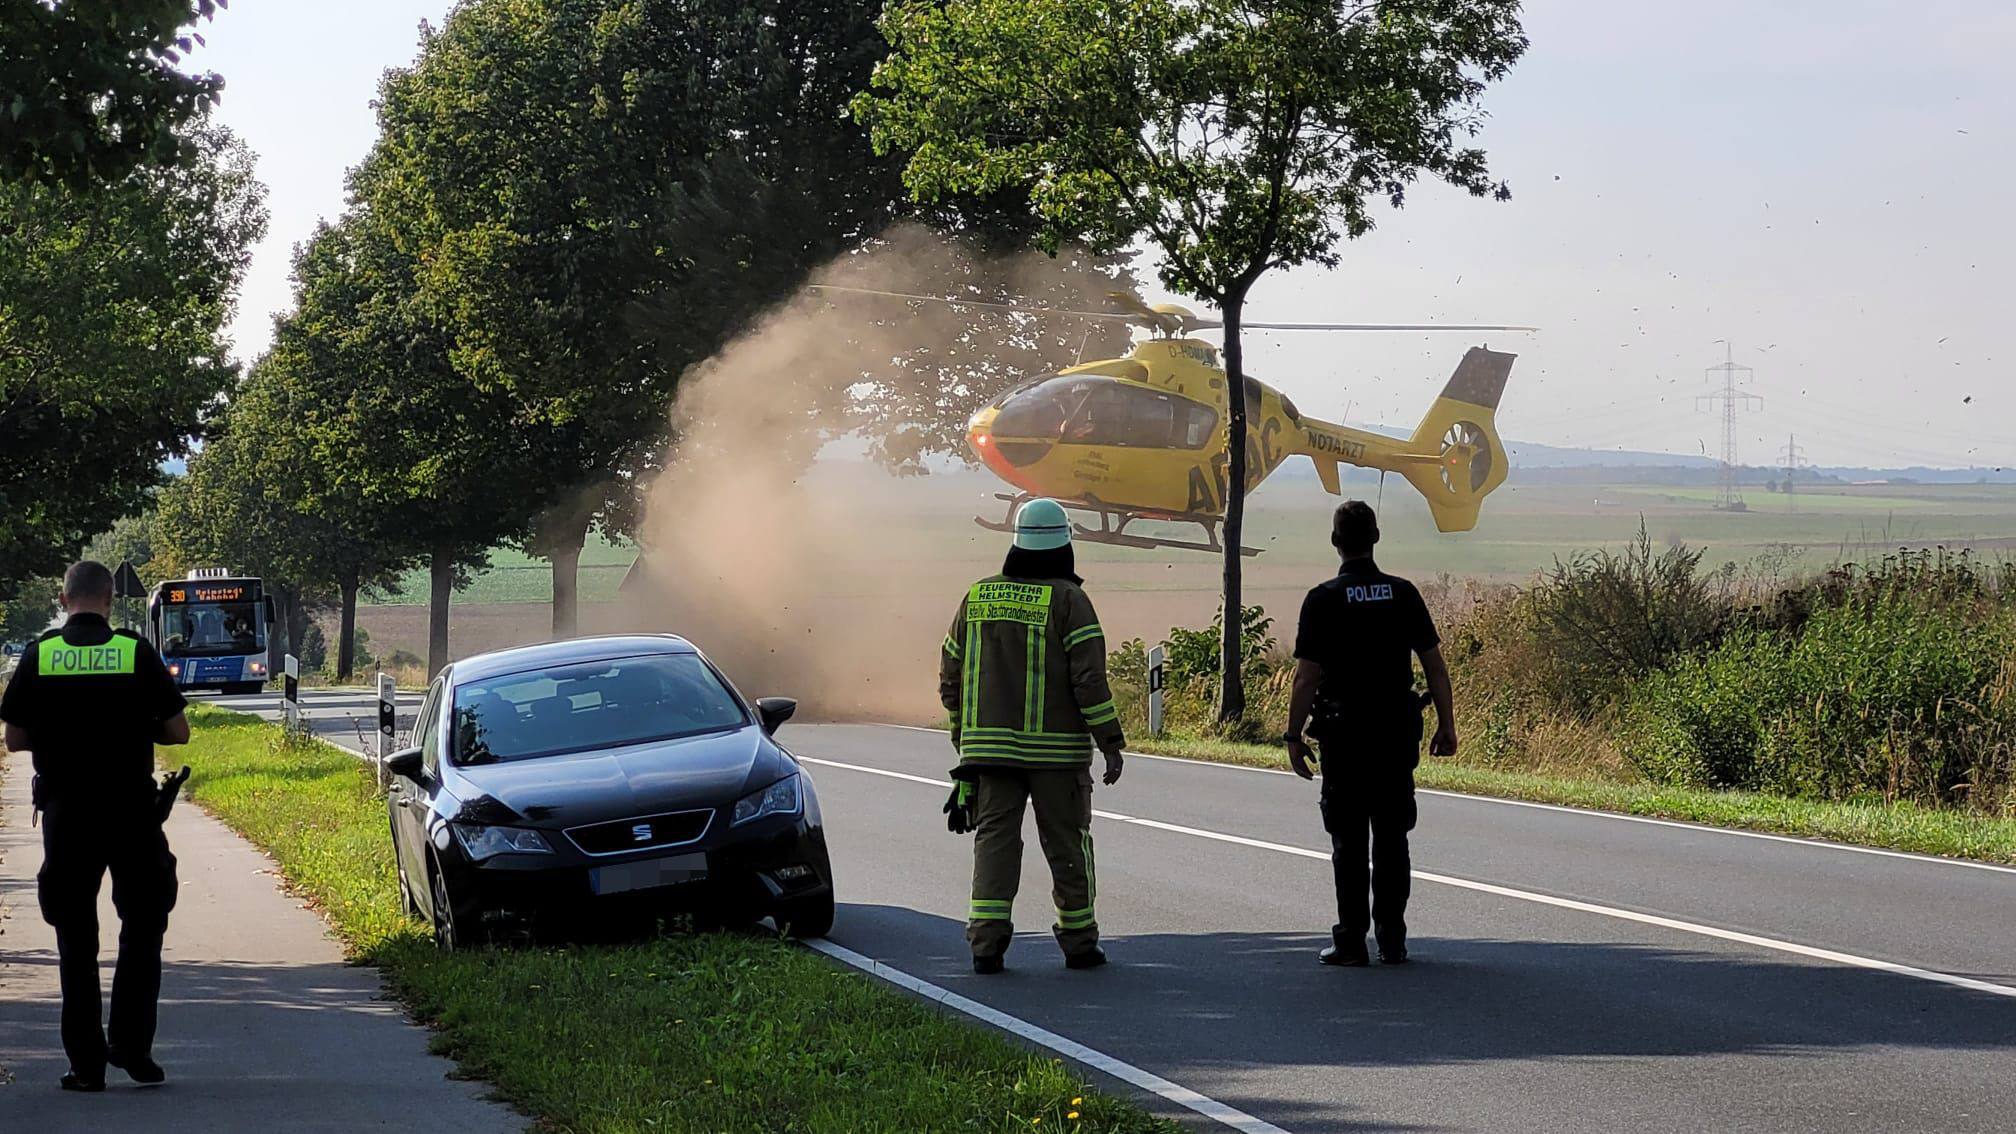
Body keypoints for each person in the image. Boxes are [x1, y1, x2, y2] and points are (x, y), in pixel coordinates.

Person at [1, 561, 191, 1091]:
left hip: (67, 815)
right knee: (145, 924)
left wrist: (62, 737)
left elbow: (14, 739)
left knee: (75, 938)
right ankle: (131, 1046)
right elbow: (179, 732)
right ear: (109, 600)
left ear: (64, 600)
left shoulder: (41, 655)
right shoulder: (134, 651)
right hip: (131, 812)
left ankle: (85, 1065)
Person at [940, 498, 1125, 974]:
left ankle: (985, 946)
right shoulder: (1070, 600)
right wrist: (1109, 740)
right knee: (1067, 845)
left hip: (987, 756)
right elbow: (1089, 680)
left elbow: (950, 673)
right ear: (1065, 543)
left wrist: (965, 739)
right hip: (1057, 757)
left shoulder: (977, 596)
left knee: (994, 845)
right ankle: (1079, 943)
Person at [1283, 502, 1456, 967]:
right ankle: (1393, 941)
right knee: (1393, 838)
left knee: (1349, 842)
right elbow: (1435, 667)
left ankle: (1352, 941)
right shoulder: (1403, 594)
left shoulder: (1322, 599)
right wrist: (1447, 725)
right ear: (1376, 537)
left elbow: (1306, 678)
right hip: (1395, 736)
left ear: (1335, 541)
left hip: (1345, 739)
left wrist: (1293, 735)